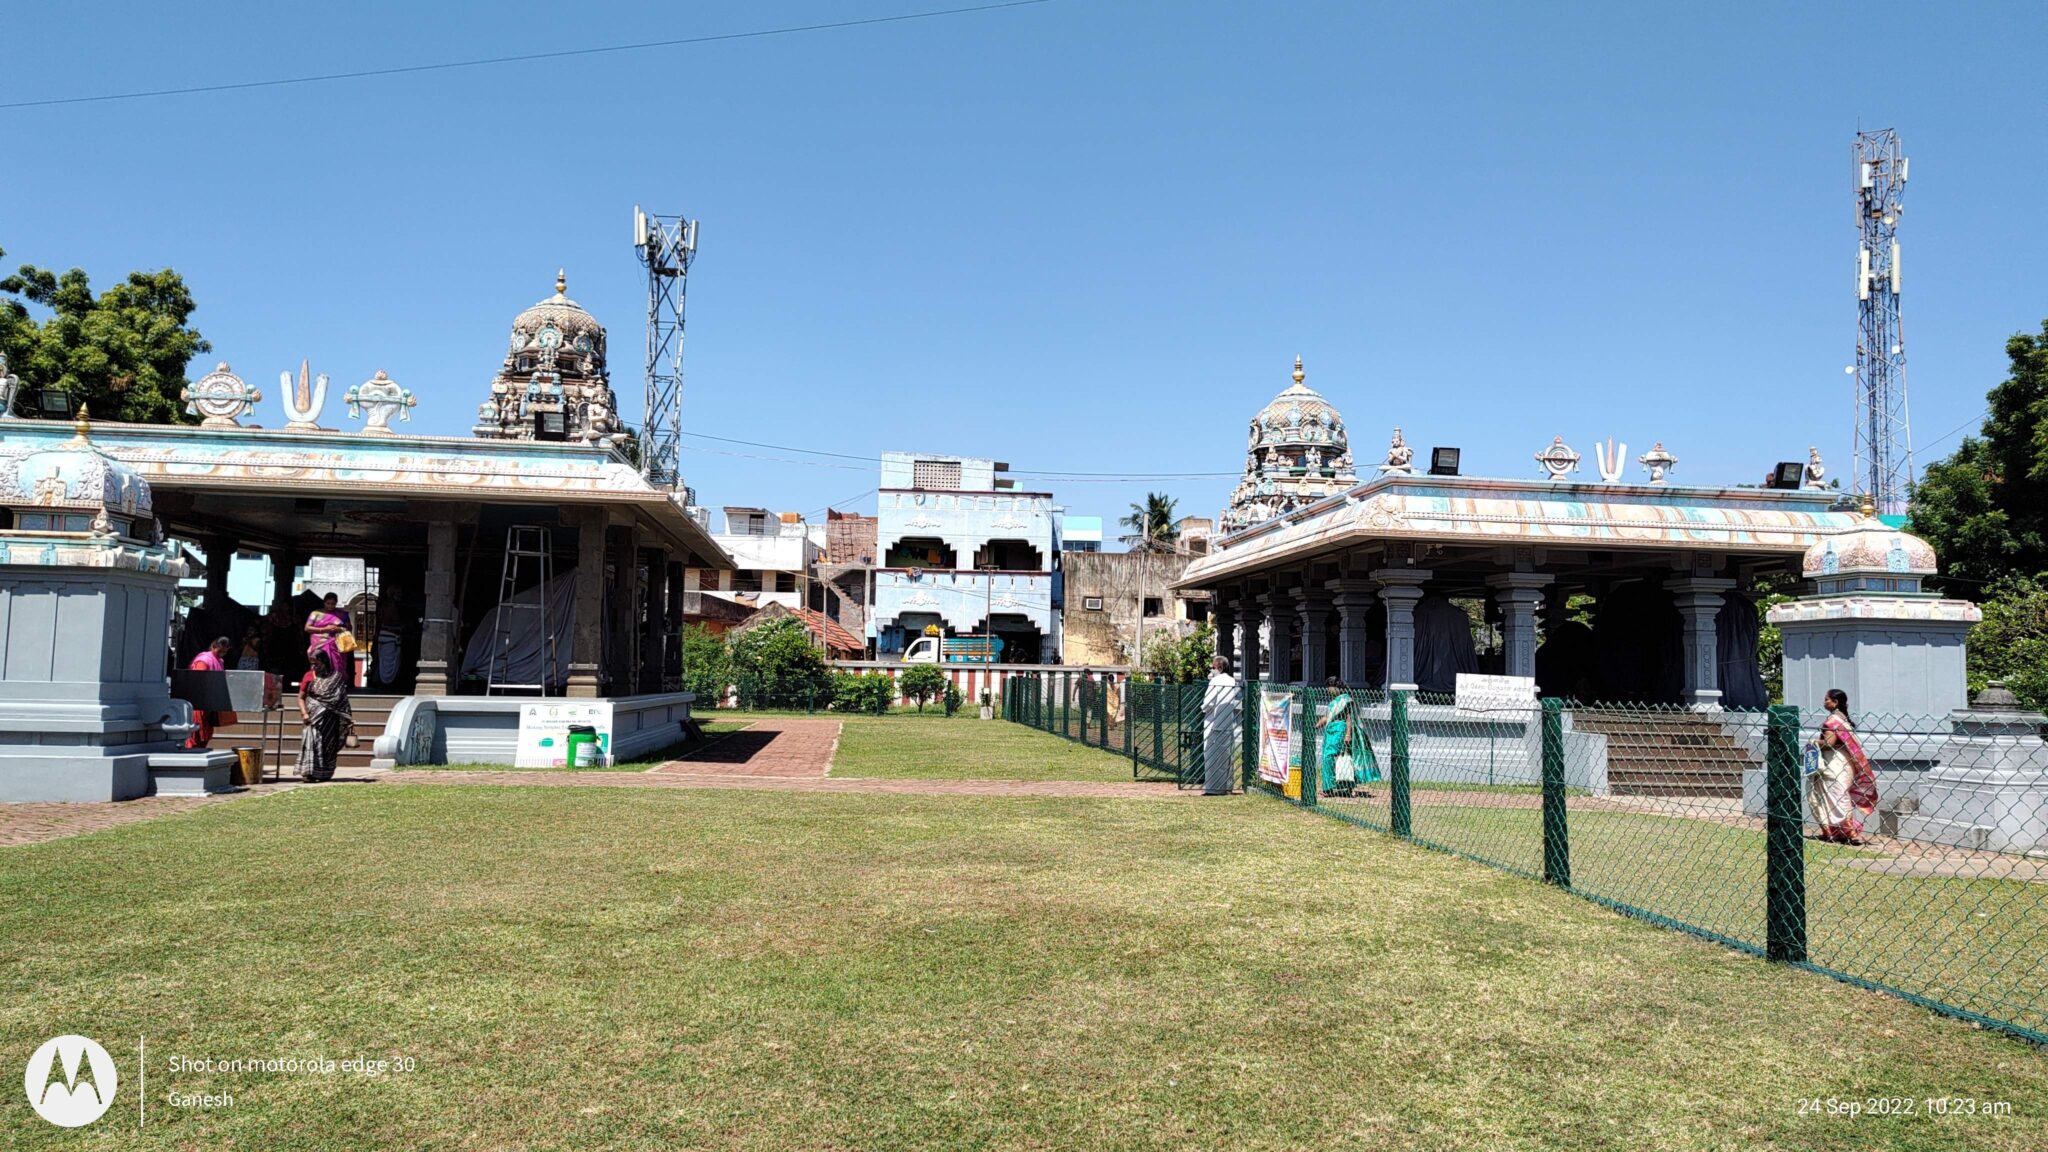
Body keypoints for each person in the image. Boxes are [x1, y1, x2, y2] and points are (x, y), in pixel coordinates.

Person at [1808, 687, 1878, 845]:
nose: (1824, 702)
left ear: (1835, 702)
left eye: (1827, 699)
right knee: (1838, 796)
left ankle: (1849, 833)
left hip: (1834, 762)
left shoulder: (1832, 721)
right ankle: (1836, 832)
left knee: (1836, 797)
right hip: (1846, 762)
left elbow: (1828, 743)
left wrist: (1812, 742)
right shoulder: (1844, 720)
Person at [1318, 676, 1383, 797]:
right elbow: (1327, 716)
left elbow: (1349, 718)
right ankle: (1331, 787)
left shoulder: (1346, 700)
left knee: (1337, 757)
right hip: (1330, 731)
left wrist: (1348, 734)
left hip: (1340, 730)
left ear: (1336, 687)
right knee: (1333, 759)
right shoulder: (1333, 702)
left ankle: (1337, 788)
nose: (1328, 690)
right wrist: (1316, 725)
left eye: (1330, 687)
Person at [296, 649, 354, 783]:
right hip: (312, 719)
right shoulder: (309, 676)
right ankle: (310, 772)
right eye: (311, 664)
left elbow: (342, 700)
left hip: (330, 721)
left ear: (324, 662)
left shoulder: (336, 678)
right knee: (312, 742)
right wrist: (304, 713)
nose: (313, 667)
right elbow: (300, 698)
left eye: (316, 664)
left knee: (327, 745)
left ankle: (324, 773)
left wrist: (345, 717)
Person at [1201, 655, 1241, 795]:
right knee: (1226, 756)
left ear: (1219, 667)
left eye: (1213, 667)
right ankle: (1226, 786)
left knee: (1211, 755)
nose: (1212, 670)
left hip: (1213, 722)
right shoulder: (1232, 681)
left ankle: (1213, 787)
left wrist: (1203, 708)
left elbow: (1209, 702)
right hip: (1227, 722)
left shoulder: (1215, 681)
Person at [184, 636, 234, 749]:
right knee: (196, 733)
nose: (223, 653)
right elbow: (197, 679)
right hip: (198, 703)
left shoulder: (219, 661)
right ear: (213, 646)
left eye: (225, 651)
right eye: (220, 650)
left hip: (210, 703)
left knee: (206, 734)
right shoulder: (203, 660)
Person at [305, 593, 352, 682]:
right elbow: (307, 628)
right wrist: (324, 629)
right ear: (324, 603)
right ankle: (318, 683)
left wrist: (339, 628)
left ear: (336, 603)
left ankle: (335, 684)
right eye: (328, 603)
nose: (330, 606)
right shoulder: (316, 613)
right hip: (319, 644)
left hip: (336, 644)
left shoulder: (341, 614)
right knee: (319, 663)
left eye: (333, 604)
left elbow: (349, 628)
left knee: (336, 664)